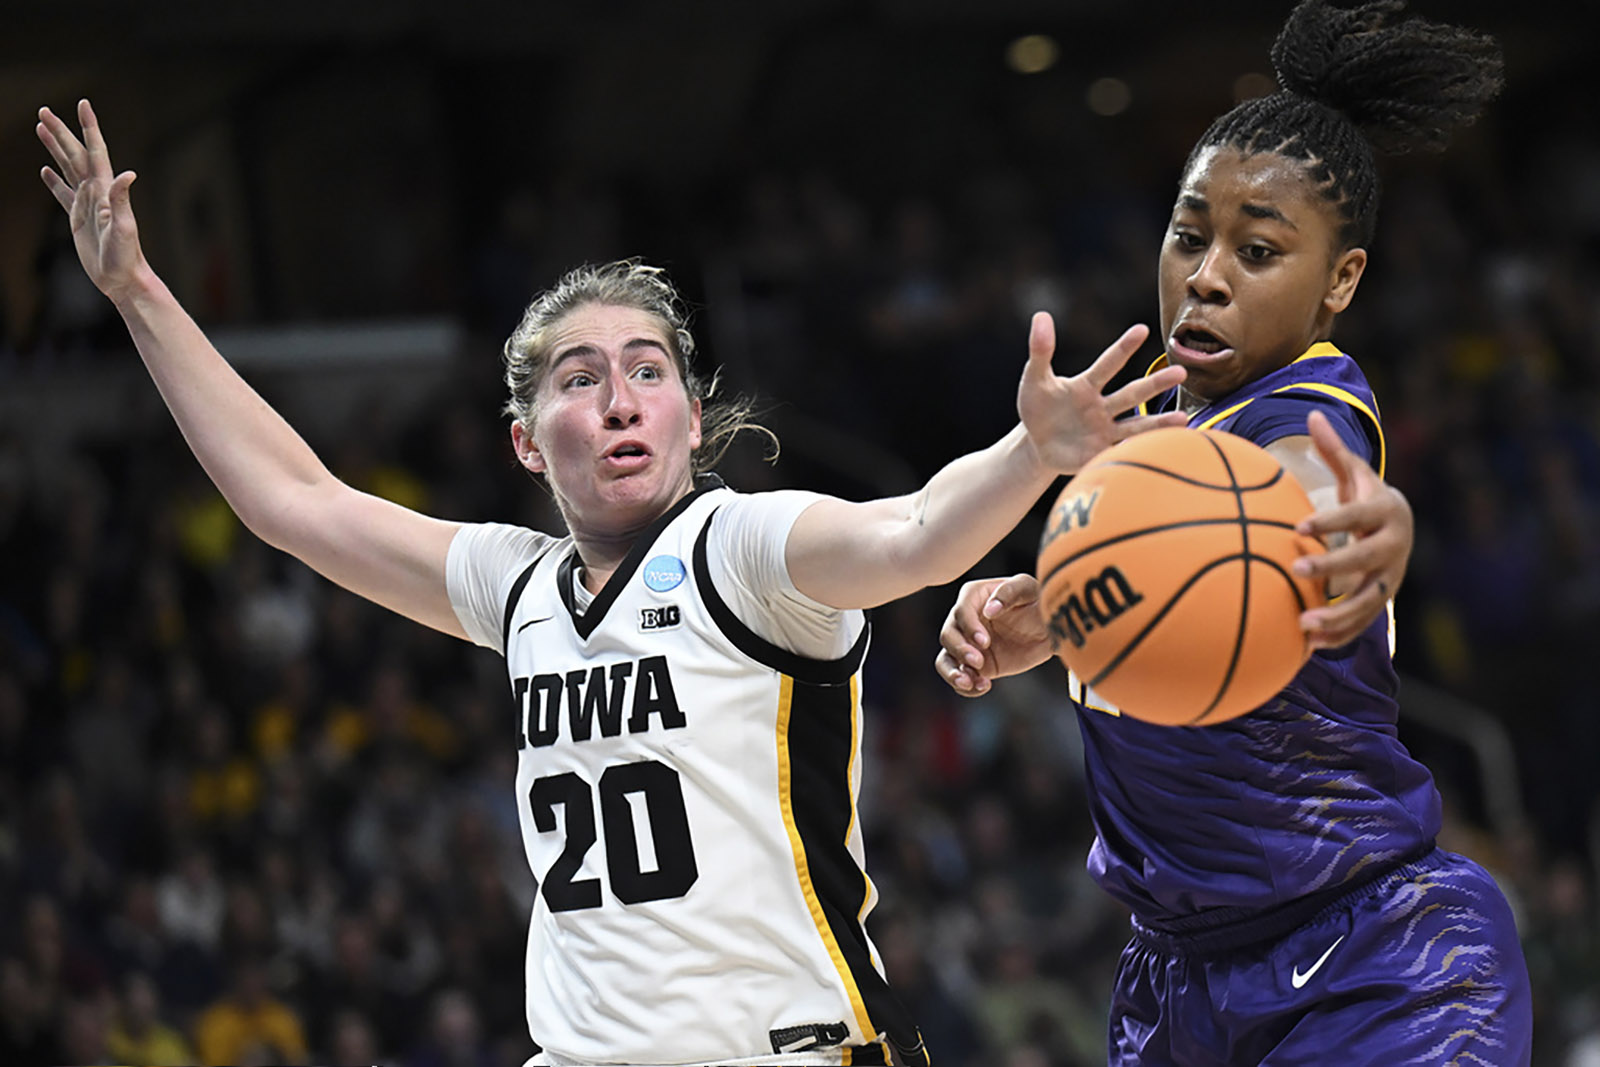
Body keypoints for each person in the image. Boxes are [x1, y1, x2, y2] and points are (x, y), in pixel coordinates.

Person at [34, 102, 1196, 1066]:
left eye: (649, 371)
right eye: (581, 379)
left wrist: (1030, 452)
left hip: (779, 1049)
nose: (623, 396)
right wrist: (136, 287)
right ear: (529, 442)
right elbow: (296, 502)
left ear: (693, 415)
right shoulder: (516, 585)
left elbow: (914, 531)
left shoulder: (743, 550)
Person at [934, 1, 1533, 1064]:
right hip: (1174, 981)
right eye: (1187, 233)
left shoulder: (1311, 402)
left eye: (1257, 249)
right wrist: (1053, 615)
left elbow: (1300, 490)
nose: (1205, 273)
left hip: (1374, 960)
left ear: (1338, 282)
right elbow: (1168, 615)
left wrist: (1367, 529)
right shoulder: (1157, 448)